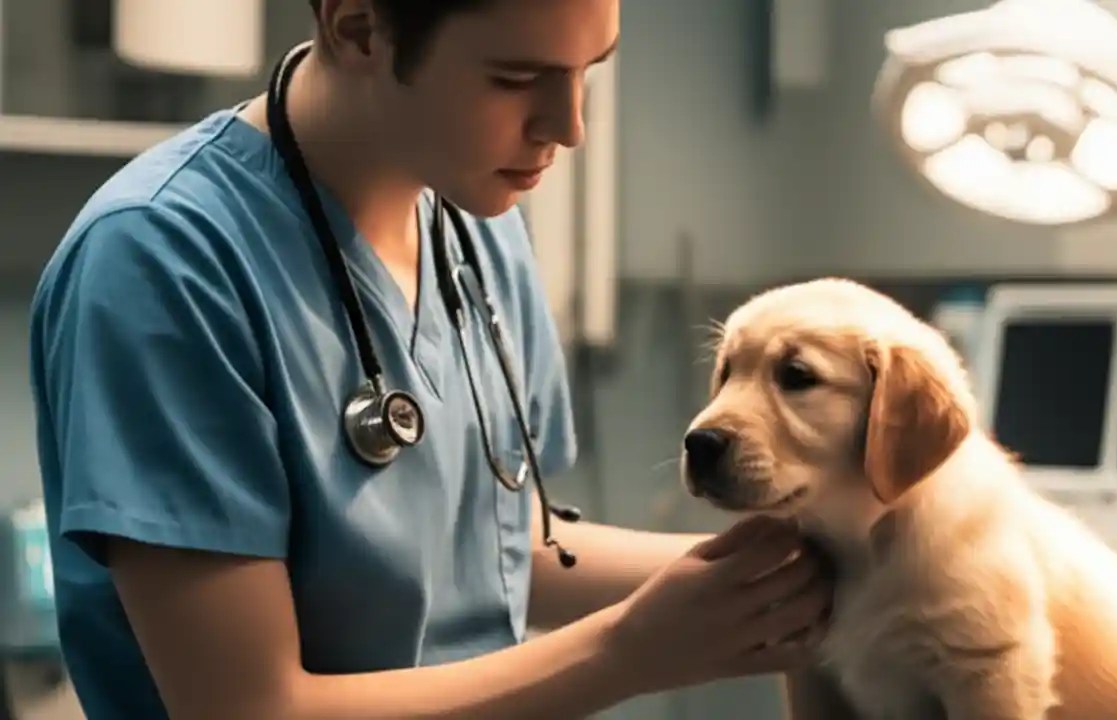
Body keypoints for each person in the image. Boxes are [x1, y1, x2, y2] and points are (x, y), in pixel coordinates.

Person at [26, 1, 834, 718]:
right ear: (358, 29)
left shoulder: (476, 222)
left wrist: (814, 568)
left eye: (590, 70)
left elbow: (505, 545)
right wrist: (626, 651)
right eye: (517, 78)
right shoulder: (164, 261)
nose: (569, 125)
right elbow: (248, 706)